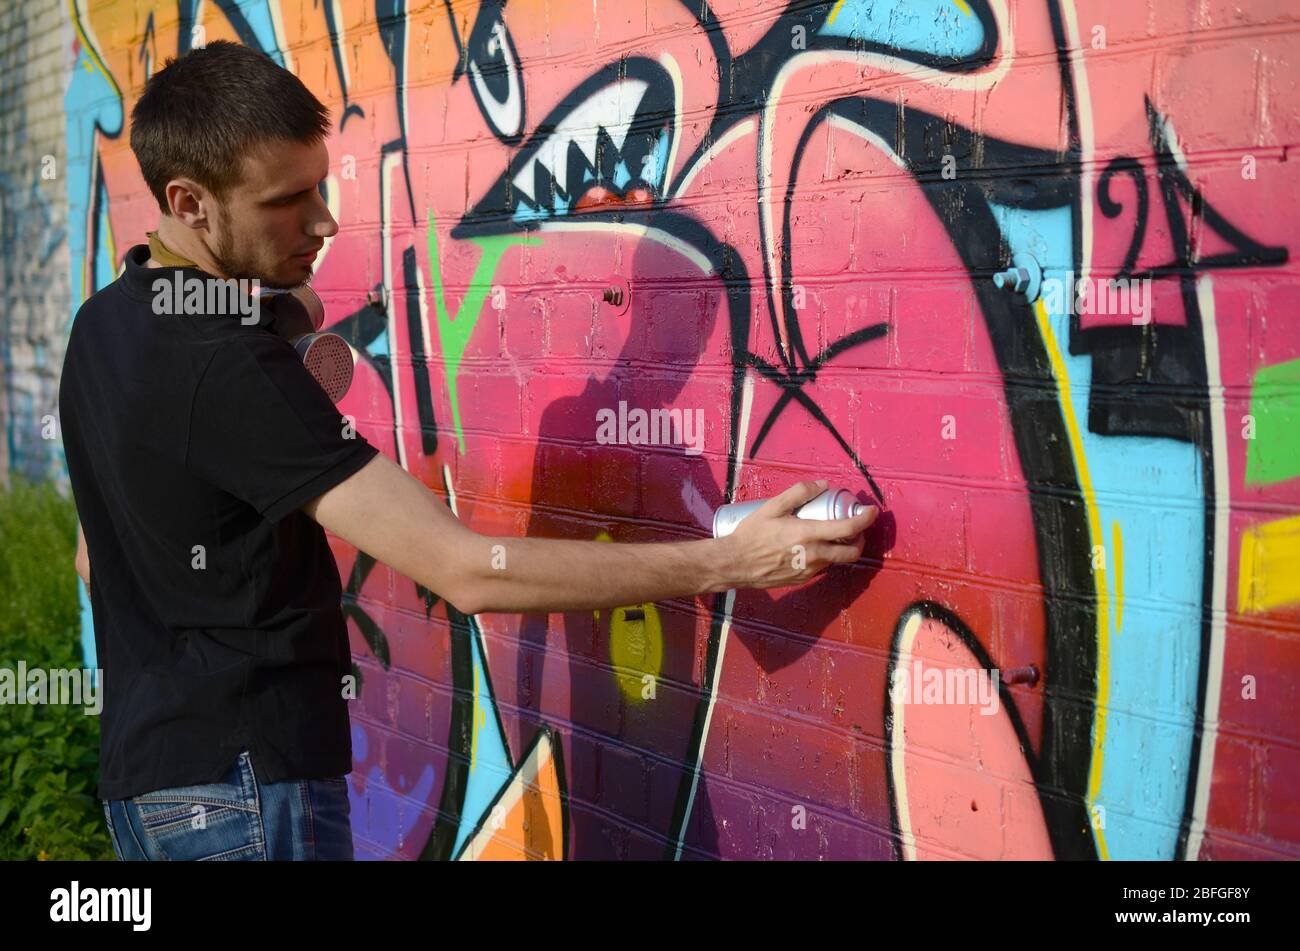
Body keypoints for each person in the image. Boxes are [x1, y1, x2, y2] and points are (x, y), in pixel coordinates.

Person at [59, 41, 878, 861]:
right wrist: (727, 564)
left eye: (320, 186)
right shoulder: (231, 366)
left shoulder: (104, 326)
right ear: (189, 201)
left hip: (152, 788)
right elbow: (465, 568)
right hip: (247, 791)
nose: (324, 221)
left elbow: (97, 558)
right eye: (286, 200)